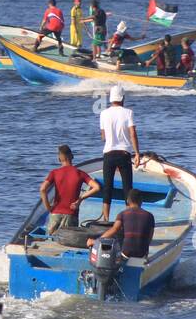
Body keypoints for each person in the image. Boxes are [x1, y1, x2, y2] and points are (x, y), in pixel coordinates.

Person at [98, 85, 141, 223]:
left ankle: (105, 219)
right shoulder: (128, 112)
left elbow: (103, 137)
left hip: (108, 153)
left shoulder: (103, 113)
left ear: (111, 99)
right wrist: (137, 154)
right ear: (122, 98)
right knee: (127, 187)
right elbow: (133, 133)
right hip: (124, 153)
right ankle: (129, 217)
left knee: (107, 187)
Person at [39, 145, 102, 234]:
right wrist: (80, 199)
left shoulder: (54, 173)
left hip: (55, 213)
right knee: (68, 240)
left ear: (59, 159)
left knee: (51, 238)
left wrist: (49, 208)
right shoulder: (80, 173)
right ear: (72, 157)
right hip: (71, 214)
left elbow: (42, 189)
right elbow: (97, 187)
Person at [86, 188, 156, 264]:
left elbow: (114, 229)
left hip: (126, 254)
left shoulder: (123, 214)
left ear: (128, 201)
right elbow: (149, 238)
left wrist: (96, 241)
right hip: (142, 254)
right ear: (141, 201)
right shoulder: (150, 216)